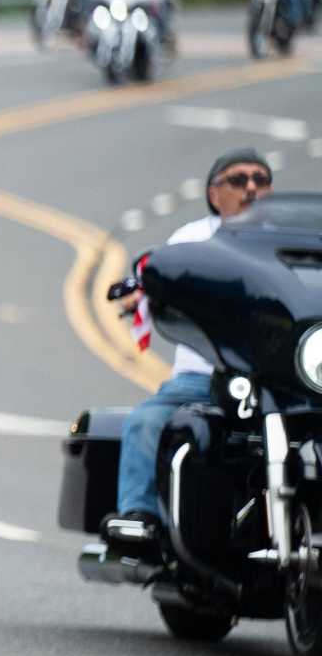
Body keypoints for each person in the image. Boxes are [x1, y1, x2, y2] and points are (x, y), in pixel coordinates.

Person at [103, 148, 275, 549]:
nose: (251, 187)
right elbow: (158, 279)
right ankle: (138, 517)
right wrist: (144, 293)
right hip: (202, 378)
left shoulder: (292, 242)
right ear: (215, 193)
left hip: (279, 380)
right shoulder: (193, 240)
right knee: (145, 422)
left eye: (260, 179)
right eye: (238, 179)